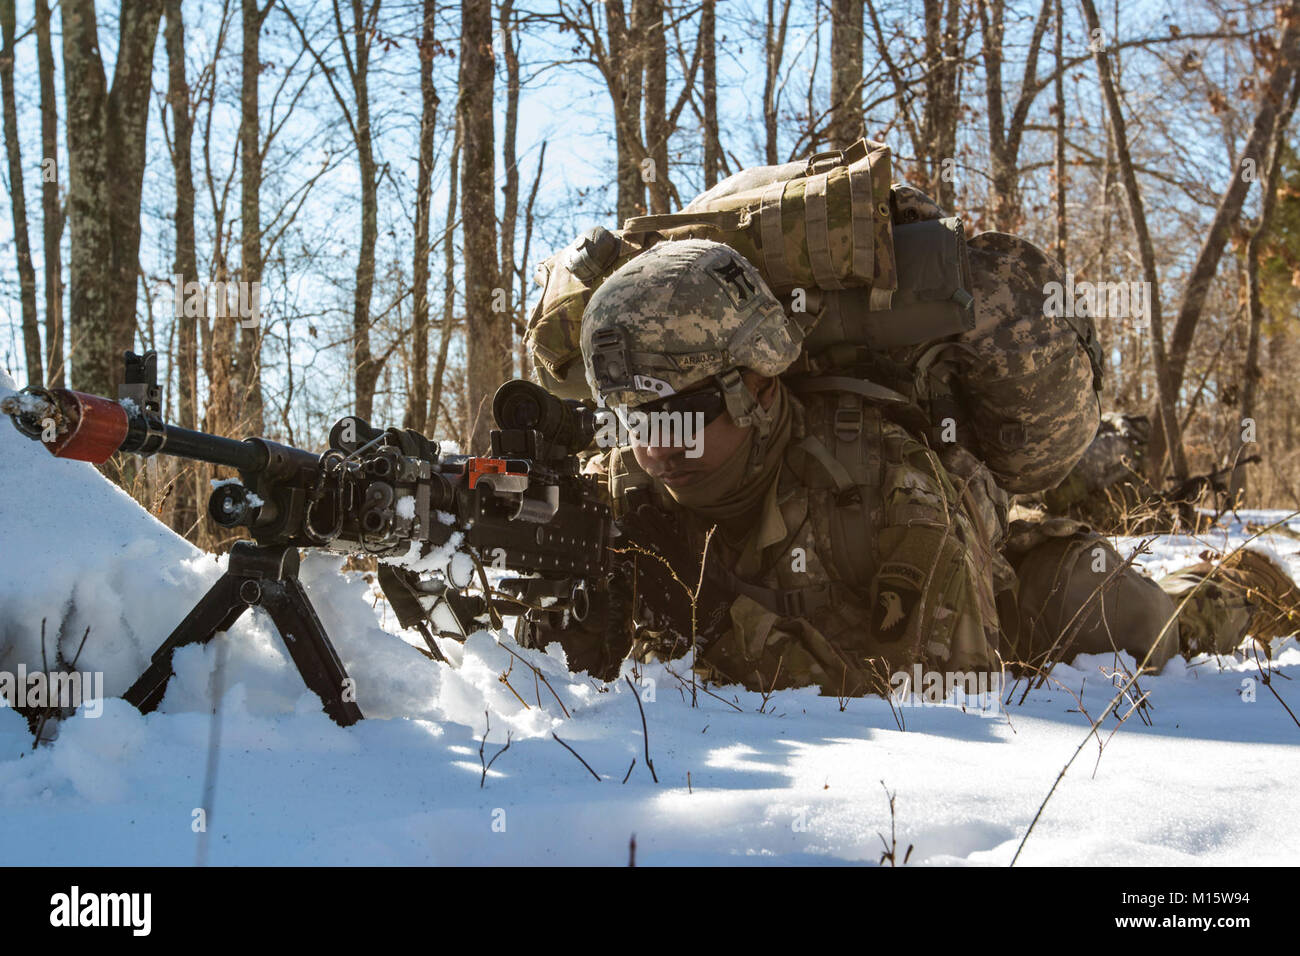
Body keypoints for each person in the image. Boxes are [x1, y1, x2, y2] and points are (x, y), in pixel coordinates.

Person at [518, 237, 1012, 696]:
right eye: (632, 421)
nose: (654, 452)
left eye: (678, 418)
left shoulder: (887, 486)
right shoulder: (616, 488)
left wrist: (716, 628)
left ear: (760, 389)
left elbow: (944, 700)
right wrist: (565, 631)